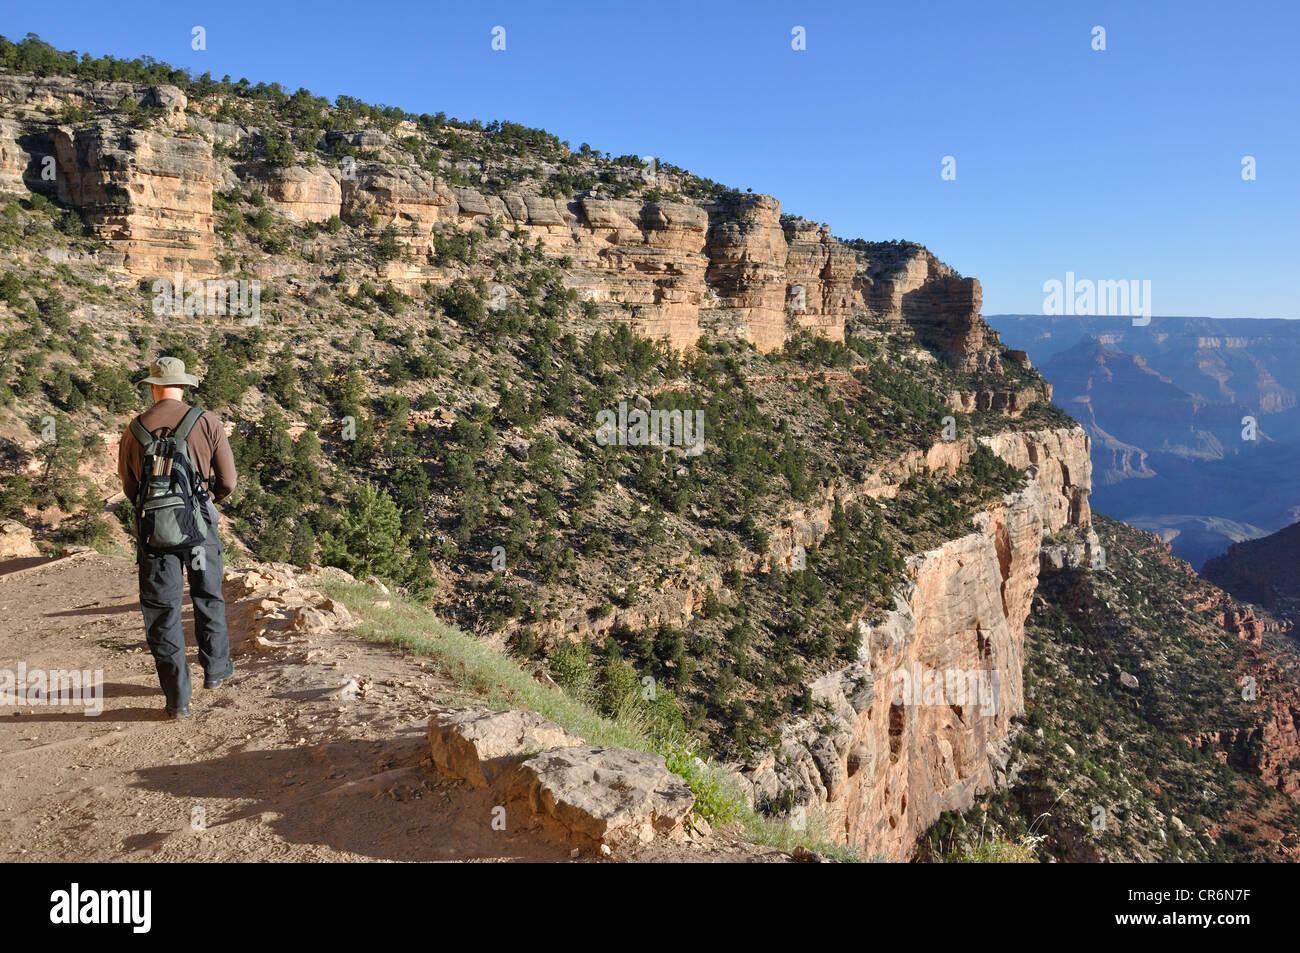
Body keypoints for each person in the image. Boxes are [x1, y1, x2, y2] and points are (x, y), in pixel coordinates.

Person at [117, 357, 238, 718]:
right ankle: (215, 670)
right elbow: (228, 481)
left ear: (152, 387)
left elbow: (130, 488)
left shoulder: (134, 429)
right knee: (207, 597)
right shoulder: (207, 422)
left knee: (161, 611)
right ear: (184, 386)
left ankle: (177, 699)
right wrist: (205, 500)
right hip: (198, 534)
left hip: (156, 540)